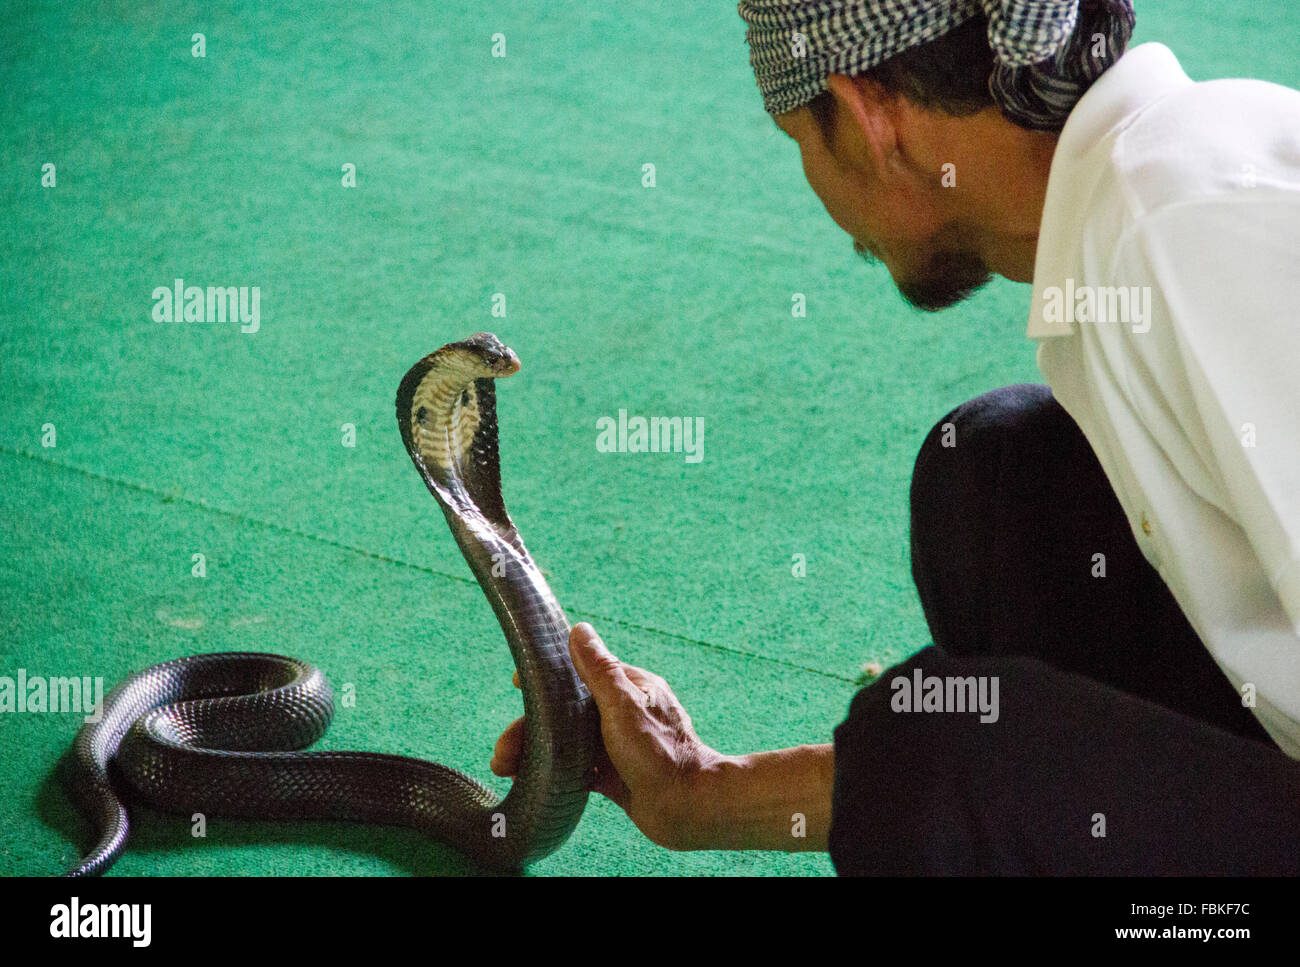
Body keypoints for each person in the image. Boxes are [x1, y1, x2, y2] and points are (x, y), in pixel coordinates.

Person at [493, 0, 1300, 874]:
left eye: (797, 136)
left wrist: (712, 792)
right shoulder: (1159, 184)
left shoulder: (1183, 234)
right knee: (997, 478)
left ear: (870, 114)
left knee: (931, 752)